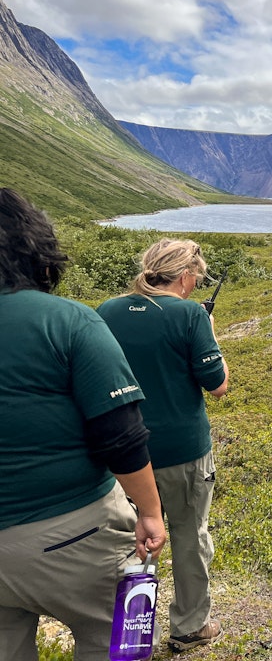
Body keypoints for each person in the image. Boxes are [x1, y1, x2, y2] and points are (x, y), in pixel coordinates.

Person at [0, 188, 166, 661]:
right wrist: (150, 513)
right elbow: (122, 435)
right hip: (72, 532)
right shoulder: (68, 321)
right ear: (33, 247)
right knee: (115, 642)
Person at [97, 238, 229, 653]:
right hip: (183, 451)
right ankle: (189, 627)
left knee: (128, 540)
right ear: (187, 277)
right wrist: (208, 330)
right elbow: (219, 384)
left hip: (122, 453)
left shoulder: (108, 310)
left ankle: (127, 631)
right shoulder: (191, 314)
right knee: (189, 537)